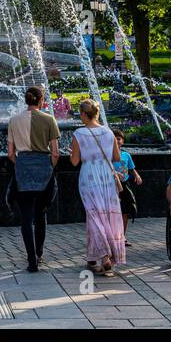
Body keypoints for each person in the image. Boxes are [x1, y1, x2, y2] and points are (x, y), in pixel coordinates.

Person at [6, 85, 60, 272]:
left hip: (23, 168)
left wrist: (20, 164)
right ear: (41, 100)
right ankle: (39, 252)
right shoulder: (49, 119)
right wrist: (48, 168)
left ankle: (31, 259)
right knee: (41, 213)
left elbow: (11, 153)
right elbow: (55, 152)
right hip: (43, 166)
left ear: (26, 100)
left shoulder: (14, 120)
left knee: (26, 217)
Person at [69, 98, 125, 275]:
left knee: (94, 216)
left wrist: (72, 154)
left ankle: (105, 256)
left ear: (84, 114)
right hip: (106, 177)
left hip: (89, 177)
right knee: (108, 214)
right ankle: (98, 255)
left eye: (81, 114)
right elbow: (116, 157)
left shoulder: (79, 133)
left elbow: (75, 161)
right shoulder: (109, 133)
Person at [113, 129, 143, 242]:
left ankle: (122, 236)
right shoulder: (107, 154)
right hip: (111, 185)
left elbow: (131, 168)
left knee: (125, 211)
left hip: (125, 185)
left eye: (119, 139)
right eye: (114, 139)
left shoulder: (126, 155)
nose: (116, 141)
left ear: (123, 141)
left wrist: (137, 175)